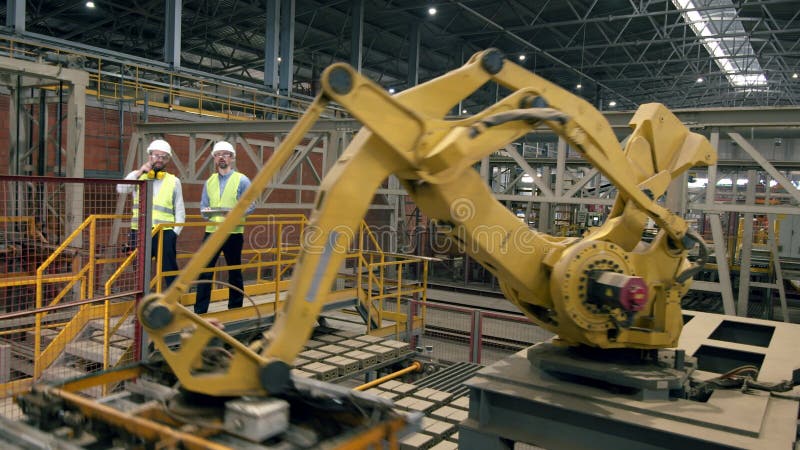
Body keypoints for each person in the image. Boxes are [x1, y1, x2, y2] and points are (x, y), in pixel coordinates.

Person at [194, 141, 255, 314]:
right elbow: (203, 207)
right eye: (218, 154)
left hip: (233, 232)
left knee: (234, 271)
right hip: (212, 231)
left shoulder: (242, 180)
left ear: (232, 158)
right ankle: (200, 311)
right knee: (205, 272)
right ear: (214, 158)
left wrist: (235, 214)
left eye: (226, 154)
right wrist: (207, 212)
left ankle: (235, 309)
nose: (222, 157)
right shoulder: (210, 182)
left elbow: (251, 204)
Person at [117, 139, 185, 288]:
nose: (159, 160)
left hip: (164, 233)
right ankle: (144, 302)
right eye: (156, 155)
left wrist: (174, 233)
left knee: (169, 269)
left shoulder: (174, 182)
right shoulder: (137, 176)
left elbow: (180, 210)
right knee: (140, 271)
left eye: (163, 157)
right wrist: (140, 172)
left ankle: (173, 302)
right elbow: (121, 189)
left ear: (167, 160)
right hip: (139, 231)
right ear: (149, 156)